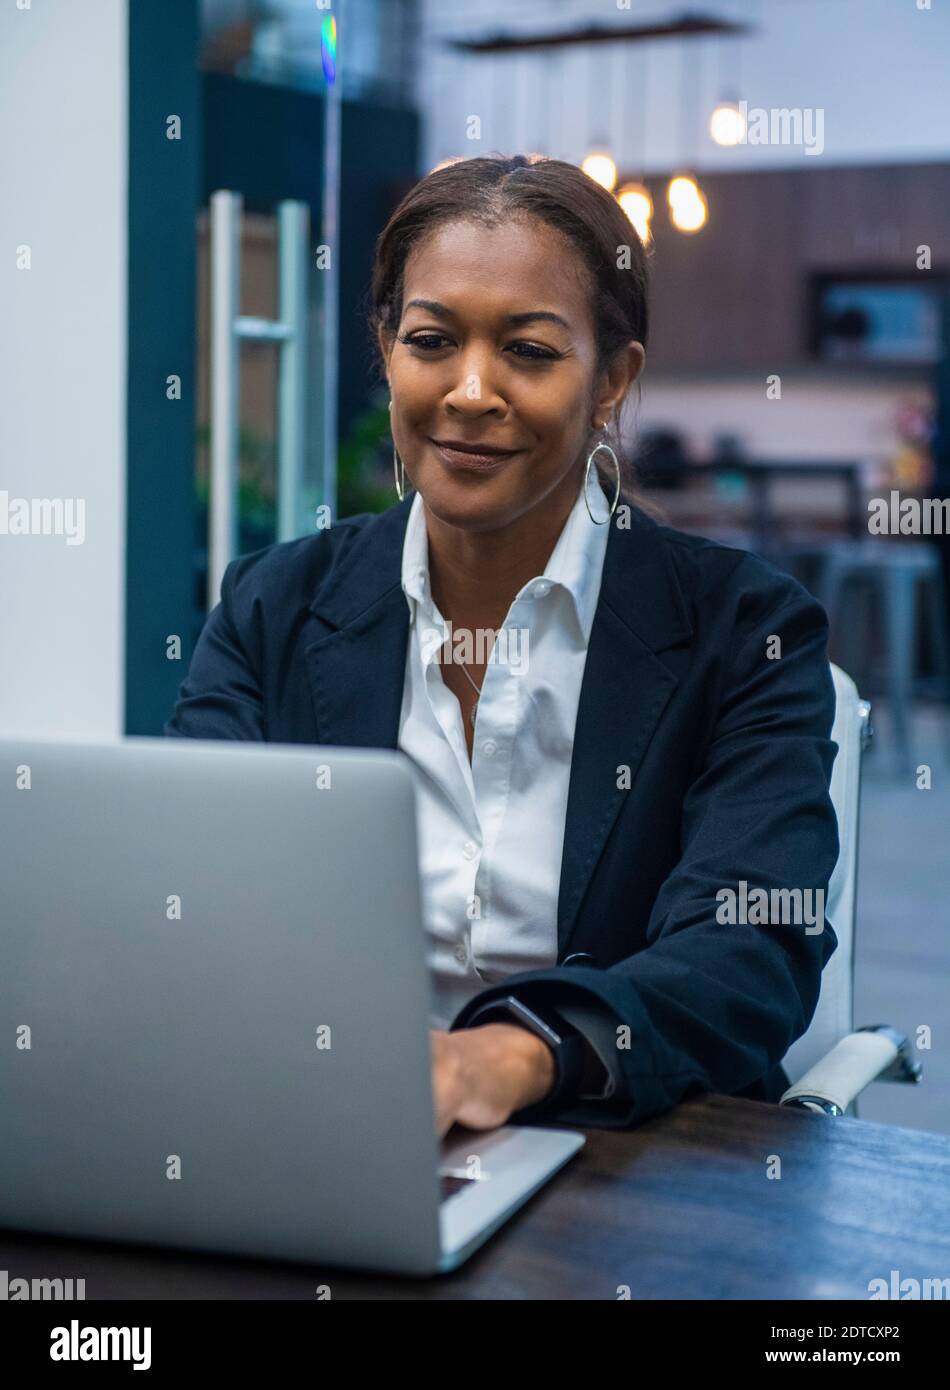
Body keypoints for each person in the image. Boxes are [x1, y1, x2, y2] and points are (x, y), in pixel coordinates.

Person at [165, 154, 839, 1138]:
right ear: (386, 348)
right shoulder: (274, 603)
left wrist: (509, 1057)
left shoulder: (746, 632)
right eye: (431, 339)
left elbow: (751, 950)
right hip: (327, 1128)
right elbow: (186, 891)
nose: (470, 390)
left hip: (624, 1153)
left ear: (611, 378)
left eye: (527, 351)